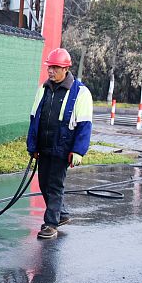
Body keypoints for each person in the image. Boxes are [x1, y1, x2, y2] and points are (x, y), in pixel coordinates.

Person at [26, 47, 93, 240]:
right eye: (49, 67)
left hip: (62, 147)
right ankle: (61, 214)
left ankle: (51, 224)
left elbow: (84, 125)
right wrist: (33, 146)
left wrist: (78, 151)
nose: (50, 71)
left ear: (65, 69)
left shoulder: (80, 92)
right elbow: (34, 118)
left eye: (55, 68)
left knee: (55, 185)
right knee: (44, 183)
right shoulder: (44, 89)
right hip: (44, 145)